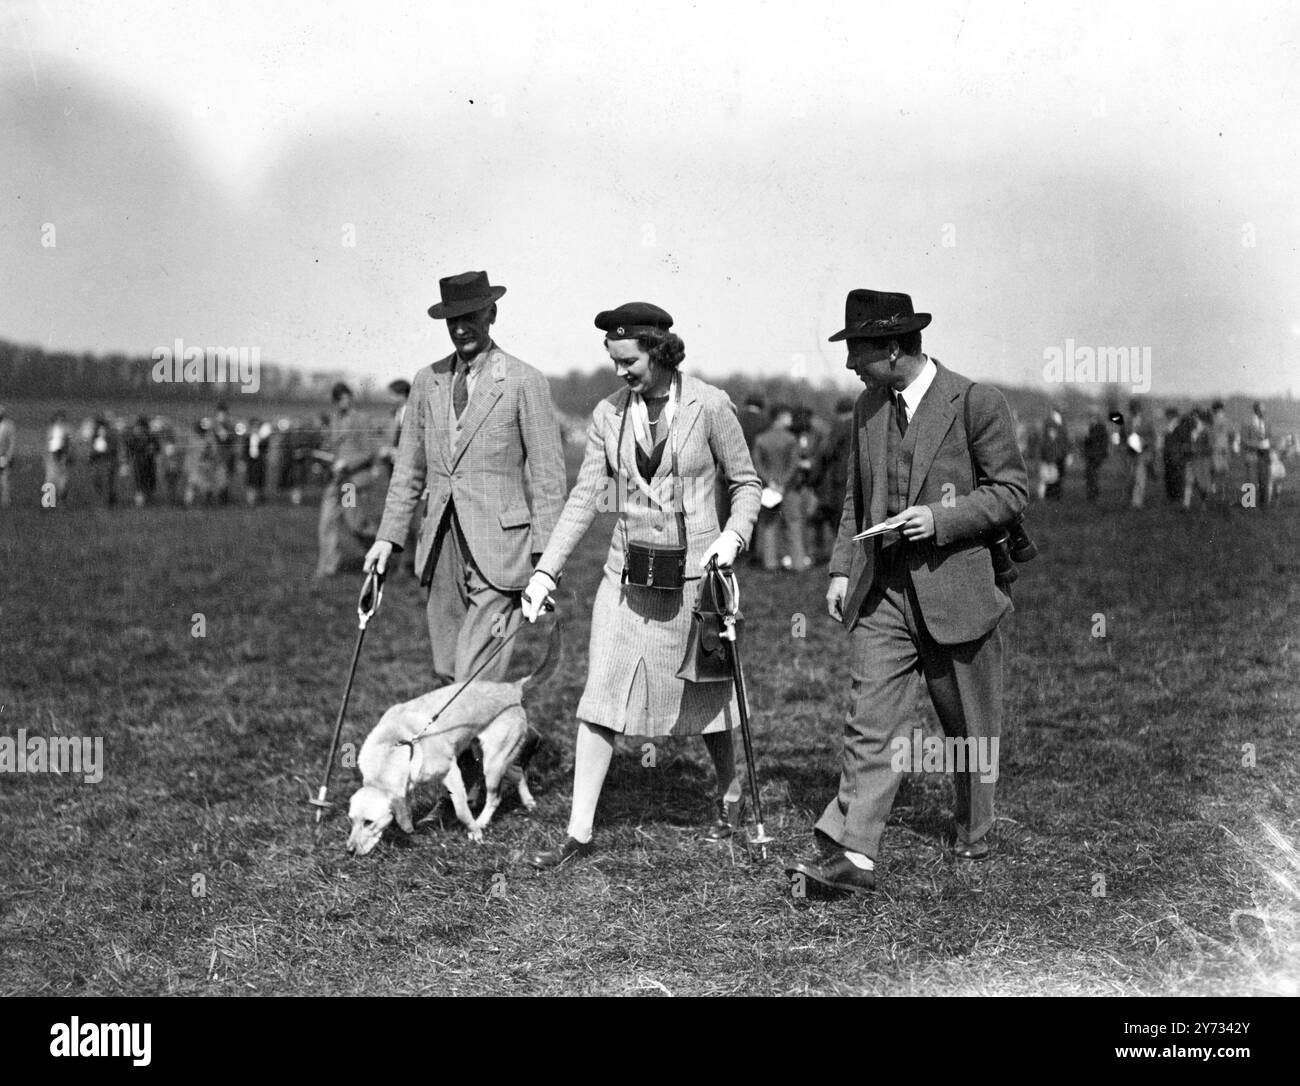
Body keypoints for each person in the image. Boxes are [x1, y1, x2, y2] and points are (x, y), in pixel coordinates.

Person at [784, 288, 1028, 896]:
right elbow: (853, 501)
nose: (848, 365)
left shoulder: (976, 403)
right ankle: (855, 850)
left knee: (969, 727)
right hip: (884, 593)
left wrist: (940, 521)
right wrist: (842, 568)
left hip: (959, 591)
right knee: (869, 718)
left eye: (857, 351)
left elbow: (1011, 491)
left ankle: (975, 832)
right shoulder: (868, 408)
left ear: (894, 348)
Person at [518, 302, 761, 868]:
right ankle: (579, 833)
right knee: (600, 694)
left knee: (708, 694)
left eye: (628, 361)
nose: (620, 372)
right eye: (613, 361)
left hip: (698, 580)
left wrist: (734, 537)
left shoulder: (711, 405)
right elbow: (585, 497)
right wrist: (546, 569)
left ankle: (729, 794)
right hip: (625, 578)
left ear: (658, 351)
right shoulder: (607, 414)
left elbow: (746, 484)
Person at [363, 270, 567, 687]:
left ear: (491, 313)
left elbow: (548, 478)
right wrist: (387, 537)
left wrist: (548, 559)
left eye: (470, 316)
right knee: (446, 669)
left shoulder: (523, 381)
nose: (460, 328)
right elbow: (408, 469)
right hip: (440, 543)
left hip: (502, 546)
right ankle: (489, 746)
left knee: (475, 672)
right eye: (452, 320)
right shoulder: (427, 380)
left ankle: (485, 742)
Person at [315, 383, 380, 578]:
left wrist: (347, 463)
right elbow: (333, 447)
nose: (345, 401)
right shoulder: (334, 419)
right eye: (340, 398)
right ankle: (327, 567)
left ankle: (379, 553)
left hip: (350, 482)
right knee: (326, 523)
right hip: (335, 481)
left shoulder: (361, 419)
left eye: (347, 397)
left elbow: (369, 451)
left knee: (356, 524)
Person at [754, 405, 807, 571]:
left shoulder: (761, 439)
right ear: (780, 417)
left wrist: (770, 482)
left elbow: (757, 463)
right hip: (789, 489)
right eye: (788, 417)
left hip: (768, 490)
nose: (790, 420)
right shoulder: (791, 439)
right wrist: (783, 483)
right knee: (793, 524)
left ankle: (770, 563)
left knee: (769, 525)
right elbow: (793, 464)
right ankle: (798, 563)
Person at [809, 396, 856, 562]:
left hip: (841, 479)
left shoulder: (841, 426)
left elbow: (827, 452)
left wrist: (814, 478)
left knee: (841, 519)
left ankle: (842, 558)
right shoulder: (865, 422)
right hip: (861, 476)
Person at [1125, 401, 1155, 508]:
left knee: (1140, 477)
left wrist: (1144, 442)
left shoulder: (1147, 422)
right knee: (1131, 478)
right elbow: (1122, 437)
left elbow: (1152, 438)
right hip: (1130, 453)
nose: (1135, 411)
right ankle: (1133, 497)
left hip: (1143, 453)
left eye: (1137, 409)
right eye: (1133, 409)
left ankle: (1137, 502)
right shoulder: (1127, 422)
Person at [1037, 407, 1068, 500]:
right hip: (1053, 455)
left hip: (1056, 454)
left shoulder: (1059, 423)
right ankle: (1050, 495)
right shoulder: (1052, 424)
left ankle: (1052, 495)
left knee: (1054, 477)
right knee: (1050, 477)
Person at [1244, 402, 1271, 507]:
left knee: (1264, 478)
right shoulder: (1248, 422)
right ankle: (1248, 503)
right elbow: (1244, 439)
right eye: (1262, 409)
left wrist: (1269, 442)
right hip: (1253, 451)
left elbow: (1271, 436)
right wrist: (1255, 443)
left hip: (1265, 452)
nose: (1264, 411)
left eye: (1264, 409)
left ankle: (1263, 503)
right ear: (1256, 410)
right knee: (1251, 478)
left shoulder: (1266, 422)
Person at [88, 415, 119, 507]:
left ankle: (109, 500)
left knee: (108, 481)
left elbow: (114, 448)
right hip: (97, 461)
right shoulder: (94, 436)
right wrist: (92, 455)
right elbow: (91, 450)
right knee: (96, 481)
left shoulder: (111, 435)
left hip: (108, 461)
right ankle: (105, 497)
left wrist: (106, 449)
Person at [45, 410, 73, 506]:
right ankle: (48, 502)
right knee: (50, 480)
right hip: (52, 457)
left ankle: (61, 501)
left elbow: (70, 445)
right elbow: (47, 444)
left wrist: (67, 456)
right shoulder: (52, 429)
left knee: (62, 481)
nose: (60, 421)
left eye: (61, 419)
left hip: (62, 457)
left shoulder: (67, 430)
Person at [1082, 410, 1109, 502]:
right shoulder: (1092, 427)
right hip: (1091, 456)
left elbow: (1098, 440)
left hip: (1096, 456)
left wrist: (1087, 437)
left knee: (1092, 475)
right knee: (1090, 475)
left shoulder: (1100, 427)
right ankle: (1093, 493)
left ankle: (1093, 494)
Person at [1209, 401, 1233, 501]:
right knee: (1220, 470)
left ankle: (1216, 488)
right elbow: (1231, 434)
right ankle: (1218, 489)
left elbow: (1212, 435)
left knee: (1218, 470)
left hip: (1218, 448)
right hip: (1221, 448)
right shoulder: (1224, 420)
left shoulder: (1214, 421)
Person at [0, 405, 15, 509]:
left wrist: (9, 457)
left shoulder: (8, 425)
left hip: (3, 456)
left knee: (4, 479)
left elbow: (12, 443)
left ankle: (5, 502)